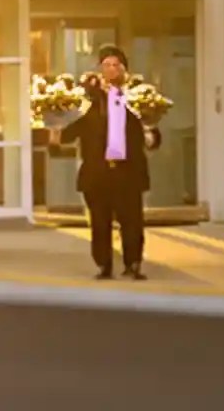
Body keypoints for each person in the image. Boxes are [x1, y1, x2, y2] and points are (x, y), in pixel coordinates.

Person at [49, 45, 150, 281]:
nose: (112, 70)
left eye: (116, 65)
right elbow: (73, 128)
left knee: (132, 221)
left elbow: (148, 130)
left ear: (124, 69)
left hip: (128, 172)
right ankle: (104, 265)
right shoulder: (90, 99)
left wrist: (152, 136)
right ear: (100, 69)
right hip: (98, 172)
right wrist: (54, 133)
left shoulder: (136, 98)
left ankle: (133, 263)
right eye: (107, 65)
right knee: (100, 222)